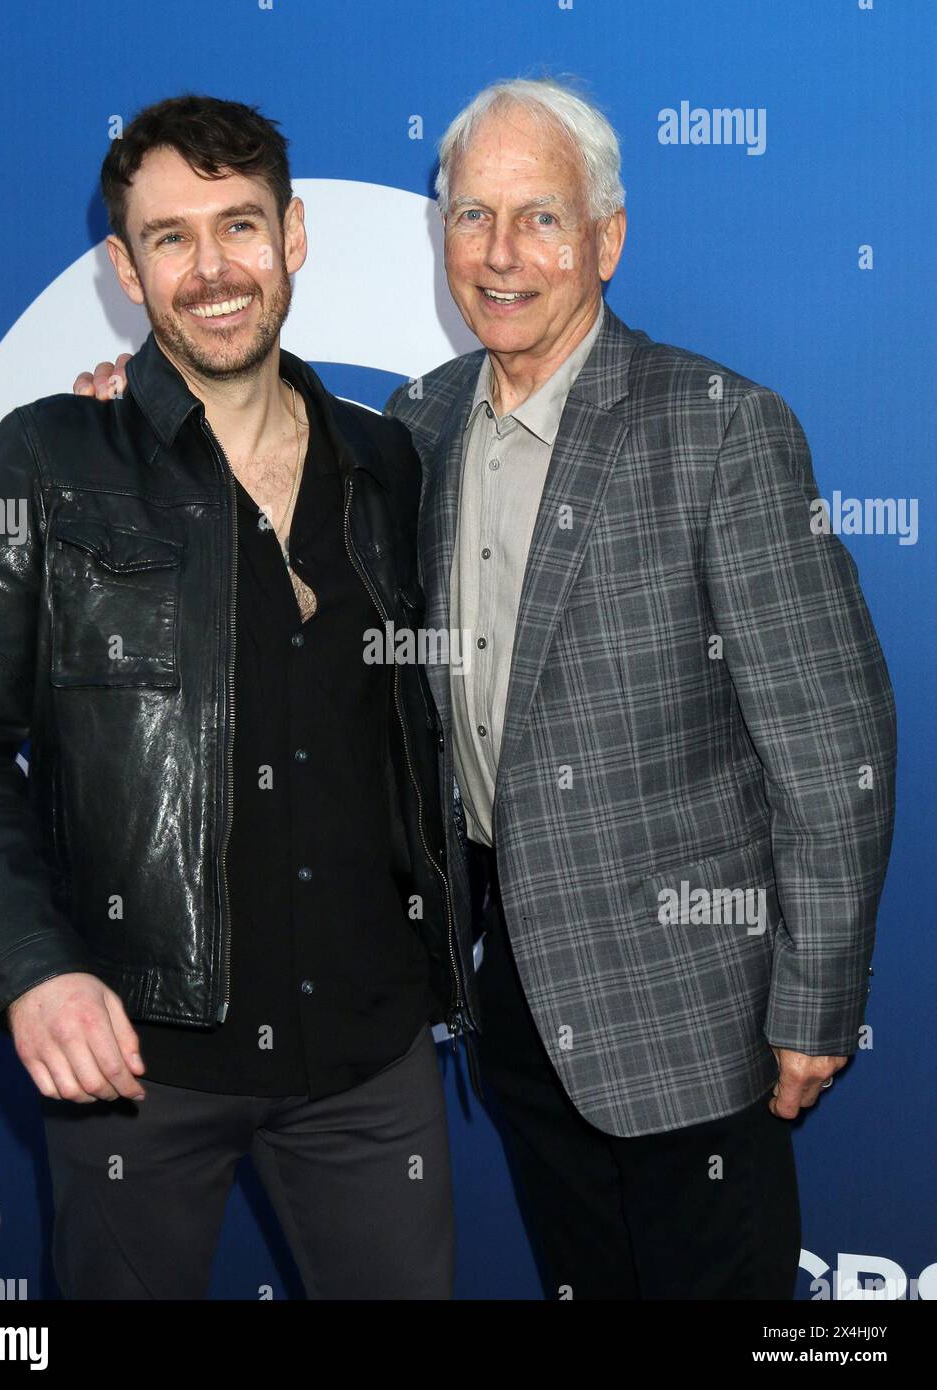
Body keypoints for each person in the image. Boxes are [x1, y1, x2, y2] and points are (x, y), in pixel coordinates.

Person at [76, 77, 897, 1301]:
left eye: (539, 217)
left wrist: (813, 1003)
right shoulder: (418, 425)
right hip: (506, 1005)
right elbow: (256, 454)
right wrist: (134, 415)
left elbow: (832, 747)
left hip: (690, 1017)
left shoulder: (719, 431)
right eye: (470, 216)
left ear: (607, 238)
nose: (500, 255)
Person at [0, 93, 465, 1300]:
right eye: (170, 238)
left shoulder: (387, 462)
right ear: (125, 267)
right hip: (136, 1061)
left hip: (371, 1057)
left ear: (294, 235)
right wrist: (33, 969)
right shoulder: (50, 456)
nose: (212, 270)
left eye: (239, 227)